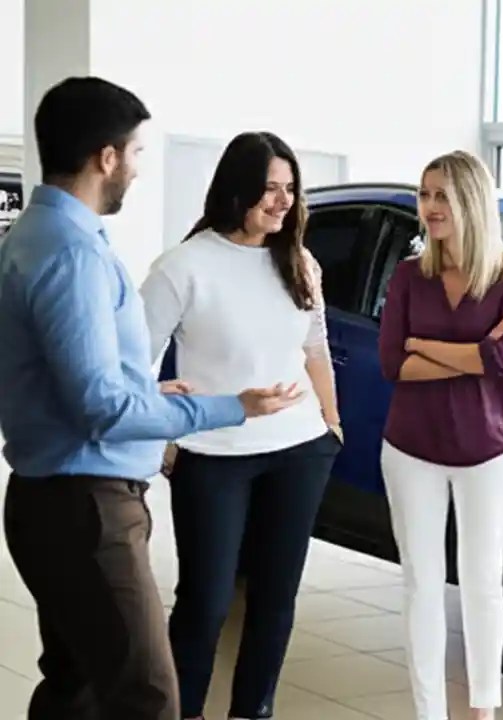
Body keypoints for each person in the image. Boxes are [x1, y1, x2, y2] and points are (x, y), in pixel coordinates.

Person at [0, 77, 303, 720]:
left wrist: (144, 388)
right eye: (135, 154)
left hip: (55, 497)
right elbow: (102, 409)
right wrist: (230, 406)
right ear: (106, 156)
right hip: (86, 507)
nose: (137, 170)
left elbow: (81, 382)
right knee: (148, 698)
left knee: (76, 690)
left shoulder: (34, 238)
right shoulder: (72, 253)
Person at [138, 131, 343, 720]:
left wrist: (332, 423)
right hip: (213, 454)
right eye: (269, 190)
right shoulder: (183, 266)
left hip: (300, 451)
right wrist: (165, 437)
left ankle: (252, 712)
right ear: (235, 192)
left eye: (289, 189)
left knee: (276, 602)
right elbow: (132, 364)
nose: (282, 202)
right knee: (203, 604)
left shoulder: (300, 262)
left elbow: (316, 347)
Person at [377, 150, 503, 720]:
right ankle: (428, 714)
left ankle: (483, 709)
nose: (430, 207)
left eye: (442, 195)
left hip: (488, 450)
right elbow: (392, 365)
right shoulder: (407, 276)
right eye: (425, 195)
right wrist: (469, 354)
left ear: (472, 199)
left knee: (481, 583)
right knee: (421, 584)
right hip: (411, 449)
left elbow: (501, 360)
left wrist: (427, 346)